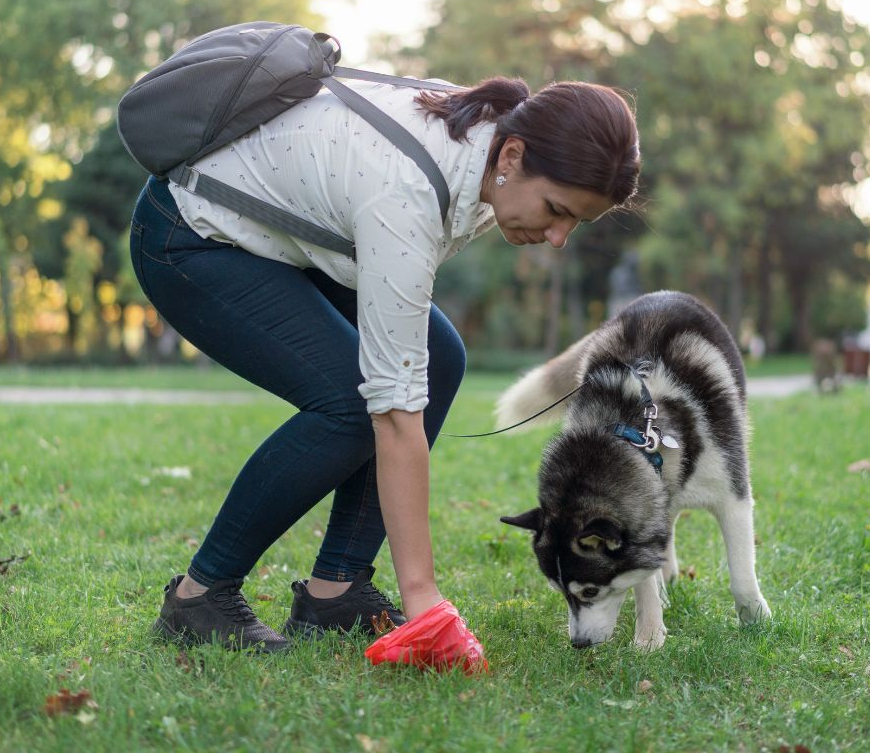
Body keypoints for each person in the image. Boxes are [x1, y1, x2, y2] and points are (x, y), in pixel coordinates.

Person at [129, 74, 641, 653]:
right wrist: (422, 595)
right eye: (556, 210)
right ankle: (199, 600)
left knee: (439, 359)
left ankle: (335, 592)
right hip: (191, 236)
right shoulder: (409, 192)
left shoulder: (488, 151)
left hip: (286, 240)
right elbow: (394, 413)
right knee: (350, 404)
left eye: (574, 222)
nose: (557, 237)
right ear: (515, 155)